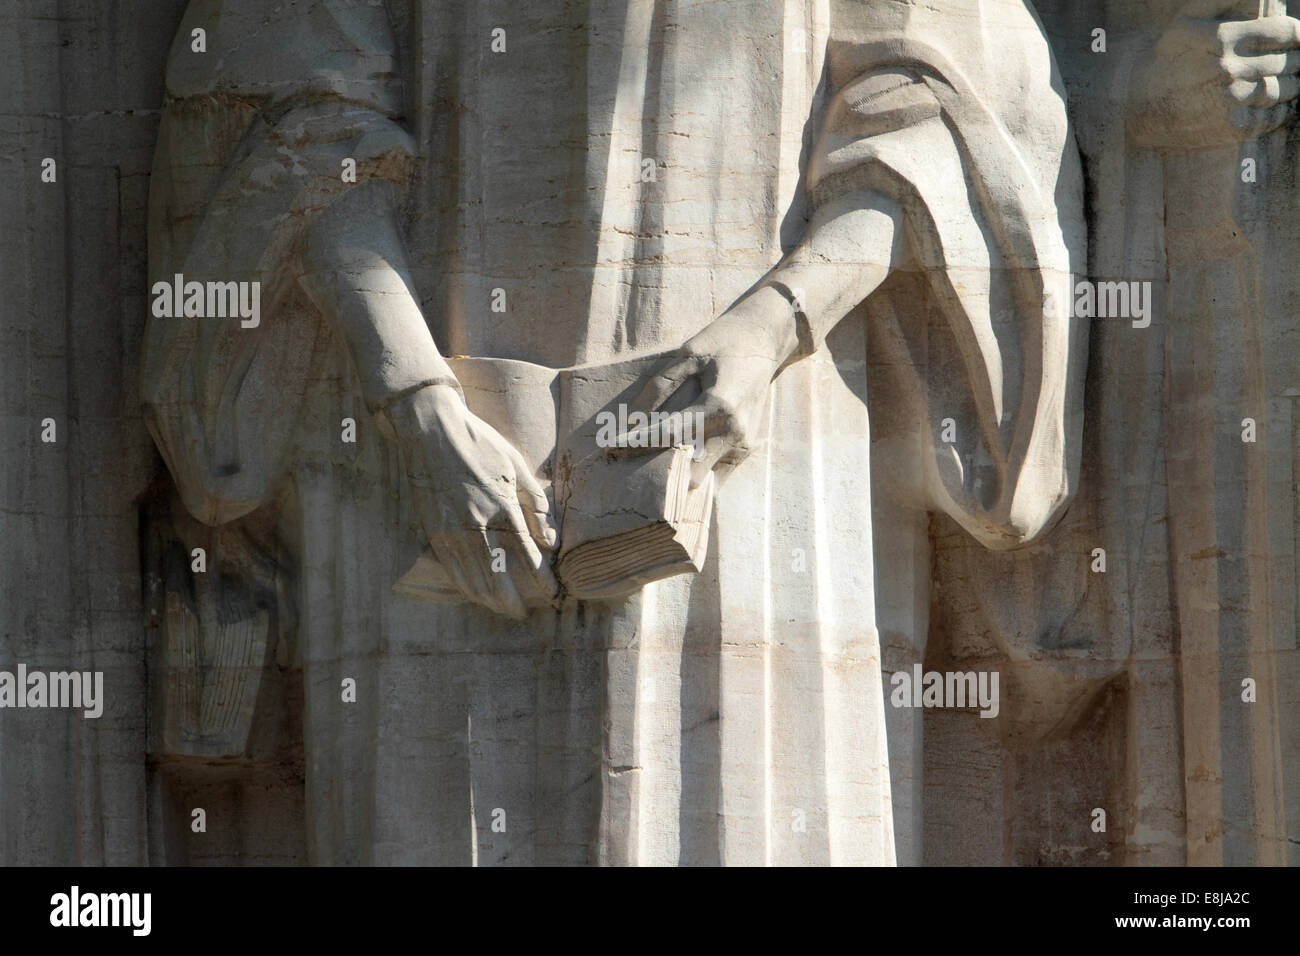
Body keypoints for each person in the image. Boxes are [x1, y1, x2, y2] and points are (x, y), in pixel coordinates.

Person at [143, 0, 1084, 865]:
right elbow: (291, 106)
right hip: (412, 458)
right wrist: (414, 402)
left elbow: (942, 107)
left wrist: (768, 332)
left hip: (772, 437)